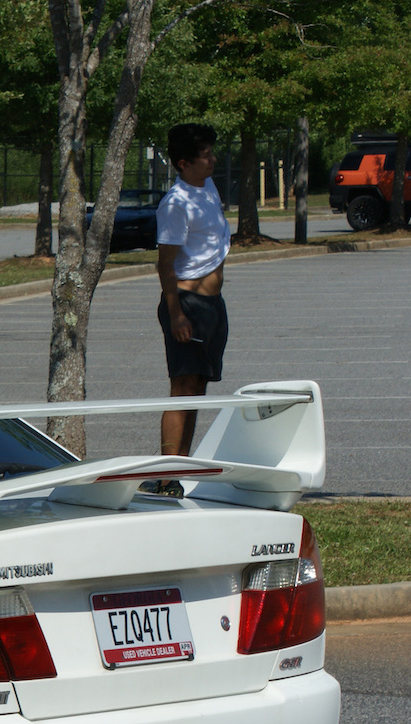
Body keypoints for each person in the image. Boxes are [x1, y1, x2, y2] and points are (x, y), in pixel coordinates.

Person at [153, 123, 231, 490]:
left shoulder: (209, 188)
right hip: (186, 304)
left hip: (212, 305)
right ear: (183, 164)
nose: (212, 160)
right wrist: (176, 314)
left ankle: (181, 469)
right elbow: (165, 263)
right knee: (181, 390)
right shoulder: (175, 203)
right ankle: (164, 475)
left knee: (197, 390)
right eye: (205, 157)